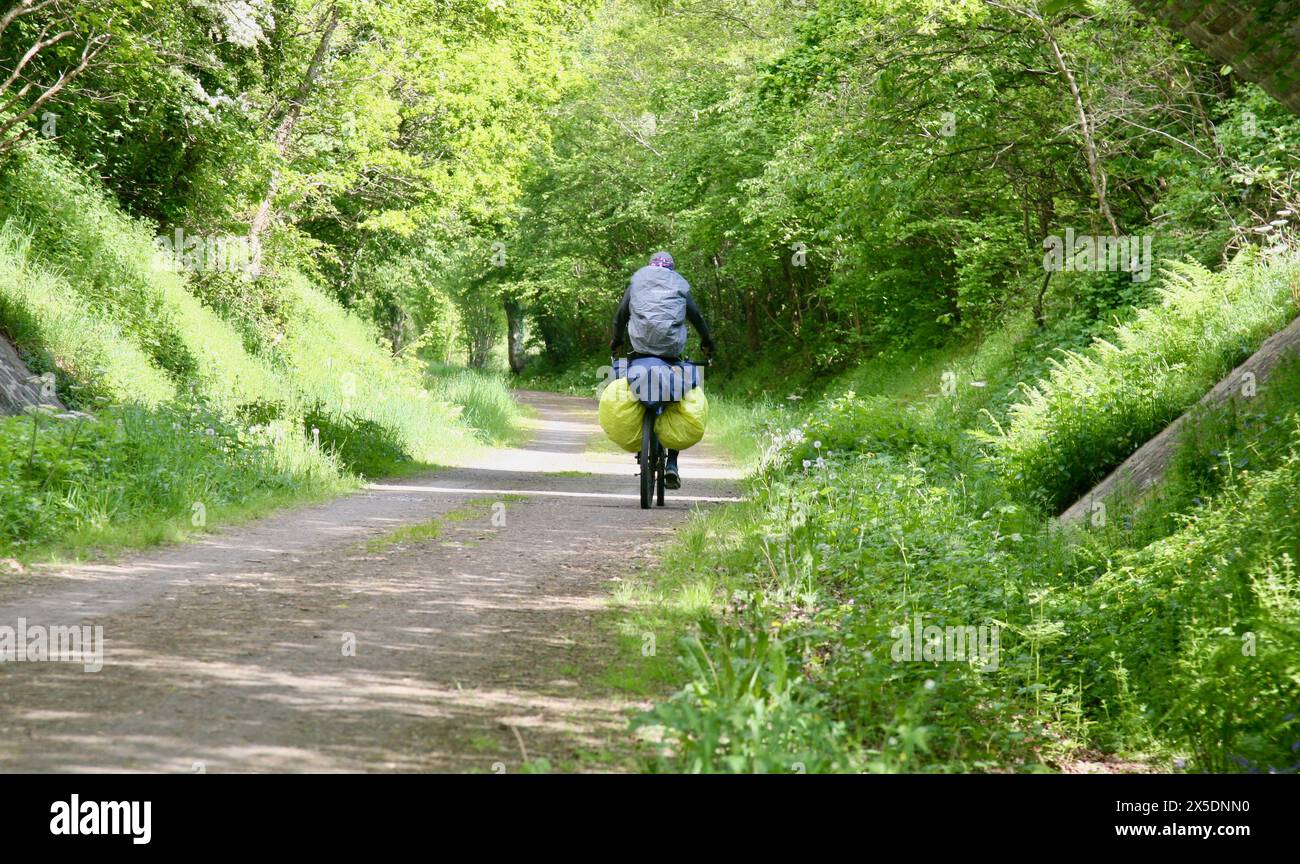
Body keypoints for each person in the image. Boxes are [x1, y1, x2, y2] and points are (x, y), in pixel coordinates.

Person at [609, 251, 715, 489]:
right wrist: (708, 342)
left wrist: (615, 341)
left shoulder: (636, 286)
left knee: (633, 385)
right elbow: (697, 317)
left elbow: (620, 317)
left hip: (641, 352)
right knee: (679, 399)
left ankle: (643, 443)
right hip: (670, 354)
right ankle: (672, 464)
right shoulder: (679, 286)